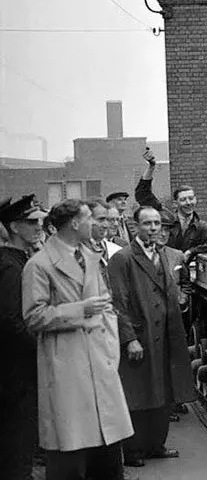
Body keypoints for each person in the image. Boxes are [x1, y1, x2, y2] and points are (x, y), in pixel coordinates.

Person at [22, 199, 134, 480]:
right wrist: (79, 310)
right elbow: (34, 316)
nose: (95, 224)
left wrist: (110, 348)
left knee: (107, 450)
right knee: (70, 451)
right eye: (89, 219)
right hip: (67, 366)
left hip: (99, 360)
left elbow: (106, 305)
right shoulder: (39, 265)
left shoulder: (90, 256)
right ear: (74, 223)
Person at [106, 205, 194, 467]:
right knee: (137, 393)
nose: (154, 229)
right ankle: (133, 450)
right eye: (147, 224)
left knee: (162, 392)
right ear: (136, 226)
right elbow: (117, 301)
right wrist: (129, 338)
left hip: (164, 335)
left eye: (157, 224)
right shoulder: (123, 259)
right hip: (141, 336)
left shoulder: (163, 255)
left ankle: (157, 445)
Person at [0, 196, 47, 480]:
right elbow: (11, 321)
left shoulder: (18, 261)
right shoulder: (11, 267)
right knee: (17, 439)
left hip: (17, 368)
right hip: (16, 371)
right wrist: (39, 349)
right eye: (31, 222)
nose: (39, 227)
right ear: (15, 227)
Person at [135, 148, 207, 258]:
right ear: (175, 203)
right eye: (183, 199)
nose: (188, 203)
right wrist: (151, 166)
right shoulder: (164, 216)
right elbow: (142, 194)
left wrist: (192, 251)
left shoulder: (201, 227)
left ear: (196, 200)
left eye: (191, 198)